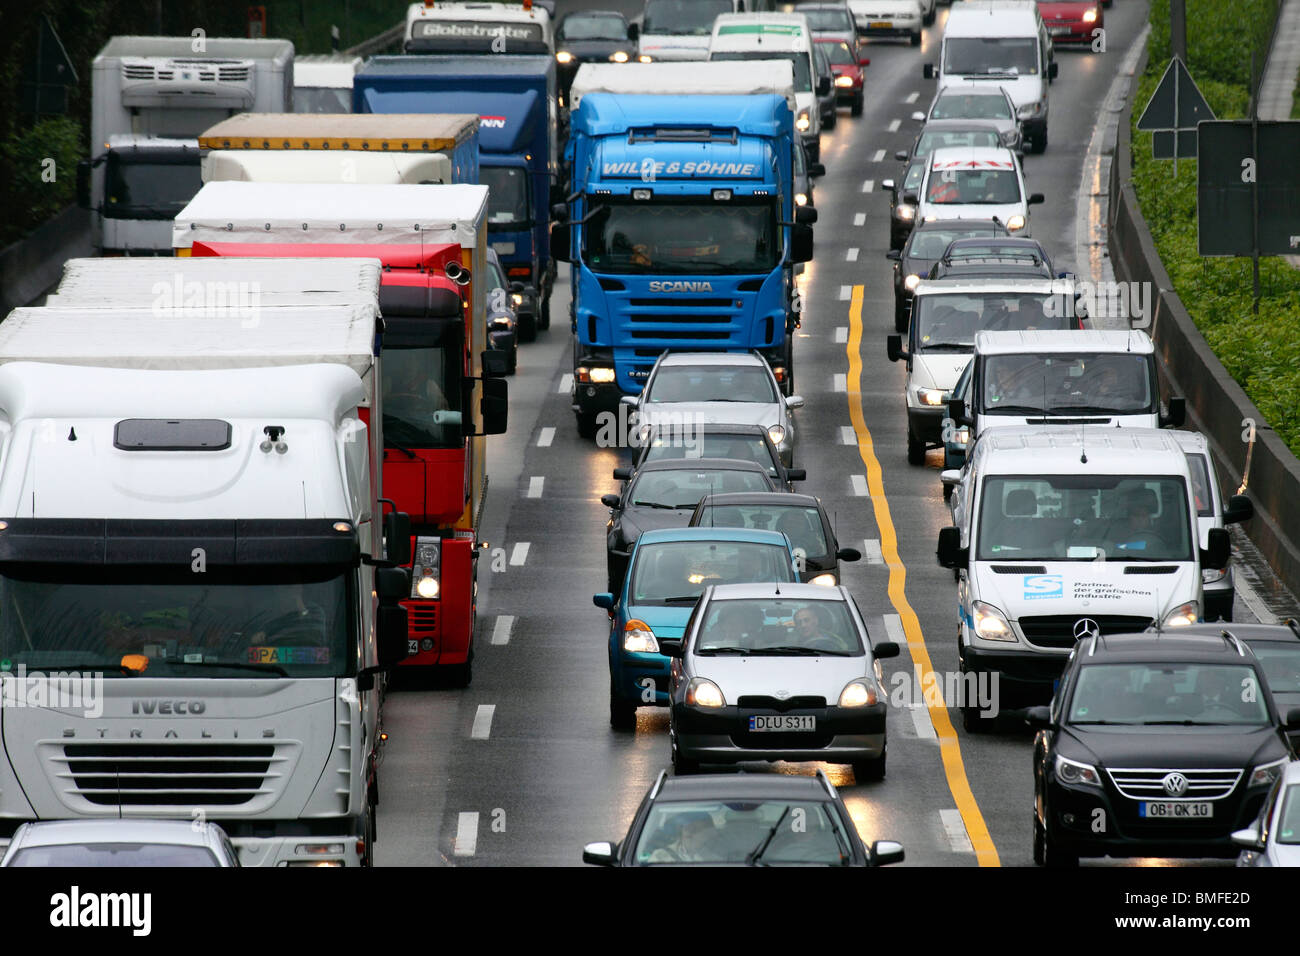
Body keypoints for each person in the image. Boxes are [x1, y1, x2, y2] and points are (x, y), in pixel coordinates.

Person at [646, 811, 721, 863]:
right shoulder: (660, 856)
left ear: (710, 832)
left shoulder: (717, 857)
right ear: (680, 830)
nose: (690, 832)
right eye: (686, 827)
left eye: (696, 829)